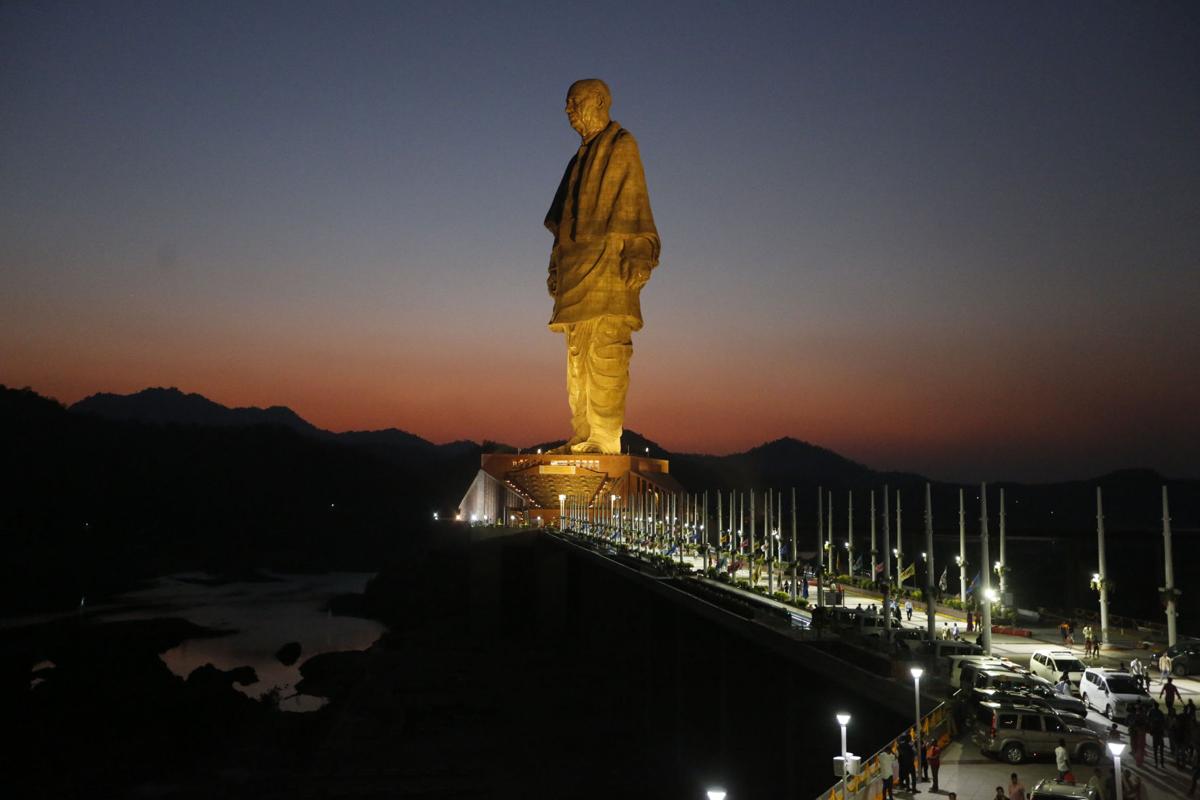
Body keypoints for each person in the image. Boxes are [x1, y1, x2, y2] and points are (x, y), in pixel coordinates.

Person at [544, 78, 660, 455]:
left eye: (574, 102)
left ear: (599, 101)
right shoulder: (576, 160)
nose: (569, 110)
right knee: (577, 356)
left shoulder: (621, 145)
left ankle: (604, 435)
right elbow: (562, 221)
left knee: (606, 350)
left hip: (609, 264)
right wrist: (555, 264)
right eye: (567, 104)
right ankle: (582, 433)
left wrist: (638, 252)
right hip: (575, 267)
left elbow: (635, 206)